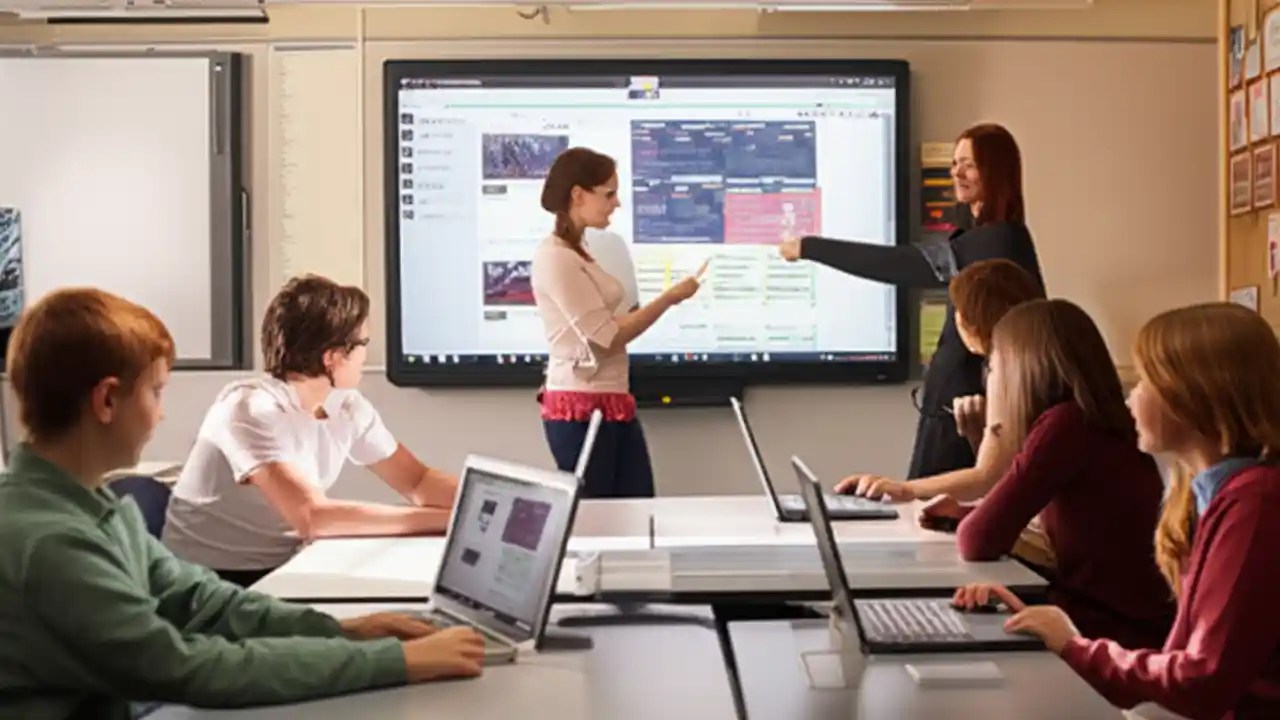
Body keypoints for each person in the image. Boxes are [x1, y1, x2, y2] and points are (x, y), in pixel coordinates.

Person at [0, 288, 484, 718]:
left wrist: (350, 632)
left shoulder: (97, 507)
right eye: (155, 391)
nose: (163, 412)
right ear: (107, 401)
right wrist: (395, 662)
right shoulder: (51, 544)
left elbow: (203, 603)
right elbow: (186, 669)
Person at [955, 303, 1280, 718]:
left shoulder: (1255, 504)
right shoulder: (1208, 494)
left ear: (1195, 393)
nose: (1132, 396)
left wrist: (1075, 647)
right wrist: (1052, 624)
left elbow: (1202, 680)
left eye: (1146, 381)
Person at [781, 123, 1044, 479]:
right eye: (954, 163)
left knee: (930, 516)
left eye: (968, 164)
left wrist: (810, 247)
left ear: (995, 170)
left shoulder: (998, 240)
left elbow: (903, 264)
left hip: (969, 411)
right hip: (956, 408)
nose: (956, 173)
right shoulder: (981, 237)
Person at [163, 275, 458, 587]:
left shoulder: (346, 407)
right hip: (209, 581)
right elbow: (312, 517)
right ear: (332, 357)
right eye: (362, 345)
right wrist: (447, 521)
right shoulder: (249, 409)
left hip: (285, 562)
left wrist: (485, 511)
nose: (365, 357)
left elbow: (417, 480)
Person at [922, 300, 1170, 649]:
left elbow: (977, 541)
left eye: (995, 367)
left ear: (1021, 368)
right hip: (1120, 619)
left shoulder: (1066, 425)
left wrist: (970, 518)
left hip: (1113, 631)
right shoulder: (1095, 419)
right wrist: (963, 514)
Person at [532, 147, 706, 498]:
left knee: (637, 509)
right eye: (609, 193)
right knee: (599, 521)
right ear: (578, 195)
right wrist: (669, 299)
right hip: (581, 410)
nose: (617, 203)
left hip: (609, 399)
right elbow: (605, 339)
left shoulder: (583, 251)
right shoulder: (556, 258)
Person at [836, 258, 1044, 505]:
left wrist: (902, 489)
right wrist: (978, 435)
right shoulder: (1035, 363)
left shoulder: (1005, 372)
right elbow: (1006, 479)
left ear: (967, 321)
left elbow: (986, 478)